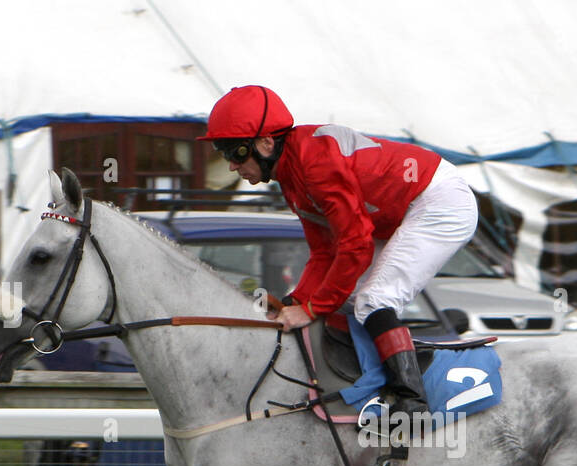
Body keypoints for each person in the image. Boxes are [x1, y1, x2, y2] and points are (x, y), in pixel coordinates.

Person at [200, 85, 479, 416]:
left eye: (236, 152)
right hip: (407, 208)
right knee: (344, 300)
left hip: (440, 200)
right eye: (224, 153)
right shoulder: (291, 176)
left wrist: (312, 307)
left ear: (266, 142)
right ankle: (362, 383)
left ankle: (412, 402)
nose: (232, 166)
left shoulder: (315, 163)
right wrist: (295, 302)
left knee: (374, 299)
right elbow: (324, 254)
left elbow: (356, 245)